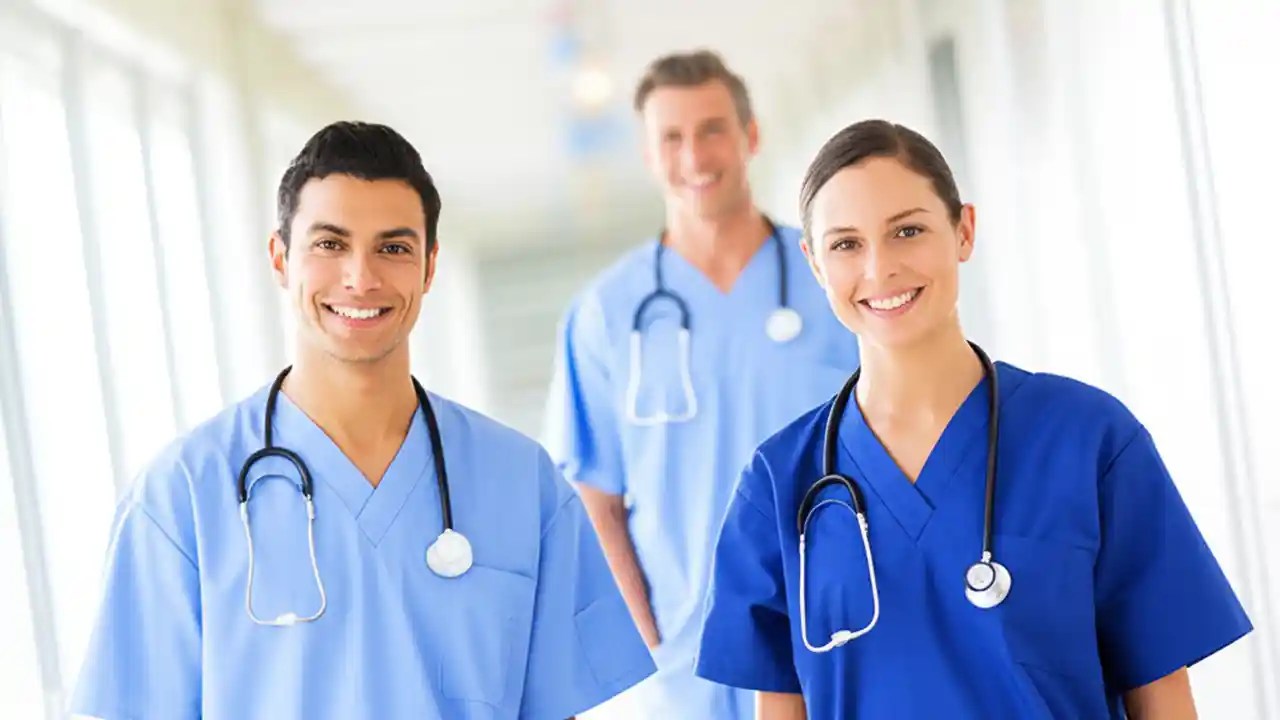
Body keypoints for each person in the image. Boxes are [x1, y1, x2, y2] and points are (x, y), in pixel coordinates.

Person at [69, 121, 655, 720]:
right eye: (330, 244)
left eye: (393, 248)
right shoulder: (182, 495)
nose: (361, 276)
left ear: (429, 268)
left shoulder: (521, 482)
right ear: (280, 258)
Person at [693, 118, 1253, 719]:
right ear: (814, 262)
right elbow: (779, 707)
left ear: (964, 230)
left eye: (908, 230)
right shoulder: (780, 485)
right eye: (846, 244)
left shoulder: (1089, 442)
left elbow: (1162, 695)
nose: (880, 270)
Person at [543, 51, 859, 718]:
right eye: (672, 137)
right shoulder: (607, 313)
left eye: (713, 129)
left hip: (841, 620)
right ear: (648, 153)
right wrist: (647, 636)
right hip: (690, 653)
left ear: (750, 136)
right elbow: (596, 500)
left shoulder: (833, 272)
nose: (695, 155)